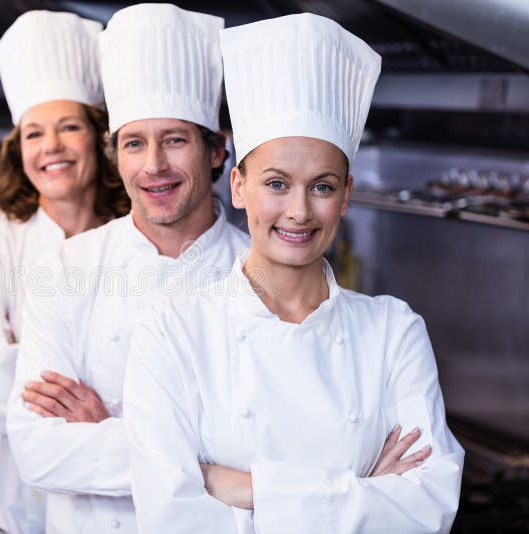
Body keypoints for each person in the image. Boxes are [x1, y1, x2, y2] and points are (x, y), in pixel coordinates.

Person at [124, 13, 464, 533]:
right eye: (277, 184)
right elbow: (170, 516)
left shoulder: (394, 330)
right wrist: (364, 494)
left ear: (347, 195)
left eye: (322, 187)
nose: (300, 212)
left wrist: (246, 489)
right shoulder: (172, 330)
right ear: (238, 187)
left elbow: (429, 508)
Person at [5, 4, 249, 533]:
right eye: (135, 143)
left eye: (175, 139)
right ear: (115, 155)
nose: (154, 166)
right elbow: (37, 451)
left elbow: (271, 451)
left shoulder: (260, 276)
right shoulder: (65, 268)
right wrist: (210, 467)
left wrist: (106, 433)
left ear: (216, 151)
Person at [0, 11, 129, 532]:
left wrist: (27, 352)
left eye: (69, 127)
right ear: (19, 151)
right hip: (15, 508)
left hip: (121, 507)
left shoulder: (135, 242)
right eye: (33, 133)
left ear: (99, 140)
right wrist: (106, 397)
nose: (50, 145)